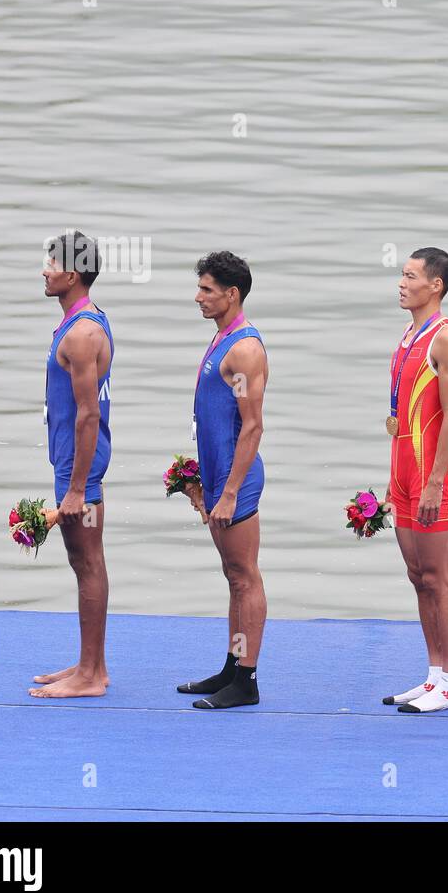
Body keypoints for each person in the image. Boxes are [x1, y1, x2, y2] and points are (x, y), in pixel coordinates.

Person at [176, 251, 269, 710]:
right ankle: (232, 667)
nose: (199, 297)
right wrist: (199, 479)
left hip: (239, 481)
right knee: (232, 576)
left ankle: (246, 681)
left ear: (232, 294)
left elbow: (252, 426)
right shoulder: (222, 340)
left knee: (245, 576)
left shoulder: (244, 349)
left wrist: (230, 491)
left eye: (207, 290)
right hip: (217, 476)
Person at [380, 248, 448, 714]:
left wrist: (435, 480)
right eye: (401, 274)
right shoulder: (408, 334)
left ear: (435, 285)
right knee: (418, 577)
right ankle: (433, 674)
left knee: (439, 576)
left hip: (431, 471)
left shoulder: (446, 337)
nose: (401, 282)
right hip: (403, 468)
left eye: (410, 276)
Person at [30, 231, 114, 699]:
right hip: (74, 460)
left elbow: (89, 413)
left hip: (80, 466)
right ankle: (90, 664)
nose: (44, 269)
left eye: (51, 262)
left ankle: (91, 675)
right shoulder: (84, 322)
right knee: (84, 560)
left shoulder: (82, 334)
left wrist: (77, 486)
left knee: (86, 561)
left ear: (73, 273)